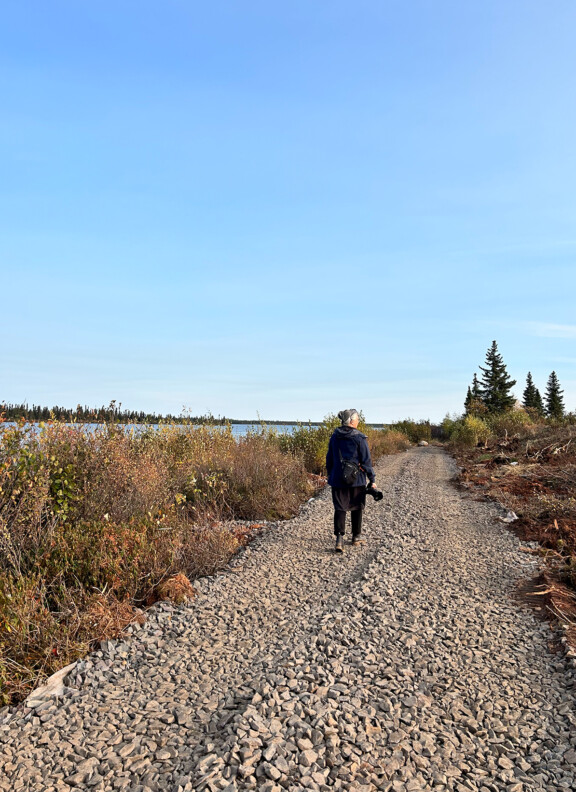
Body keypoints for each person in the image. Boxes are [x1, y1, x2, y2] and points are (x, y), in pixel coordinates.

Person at [326, 409, 376, 553]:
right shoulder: (359, 438)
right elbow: (366, 461)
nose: (358, 421)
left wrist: (331, 474)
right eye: (358, 419)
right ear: (352, 421)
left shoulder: (335, 436)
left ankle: (339, 539)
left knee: (340, 507)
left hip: (338, 477)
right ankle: (356, 536)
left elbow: (329, 458)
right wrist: (372, 479)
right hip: (356, 478)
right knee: (357, 505)